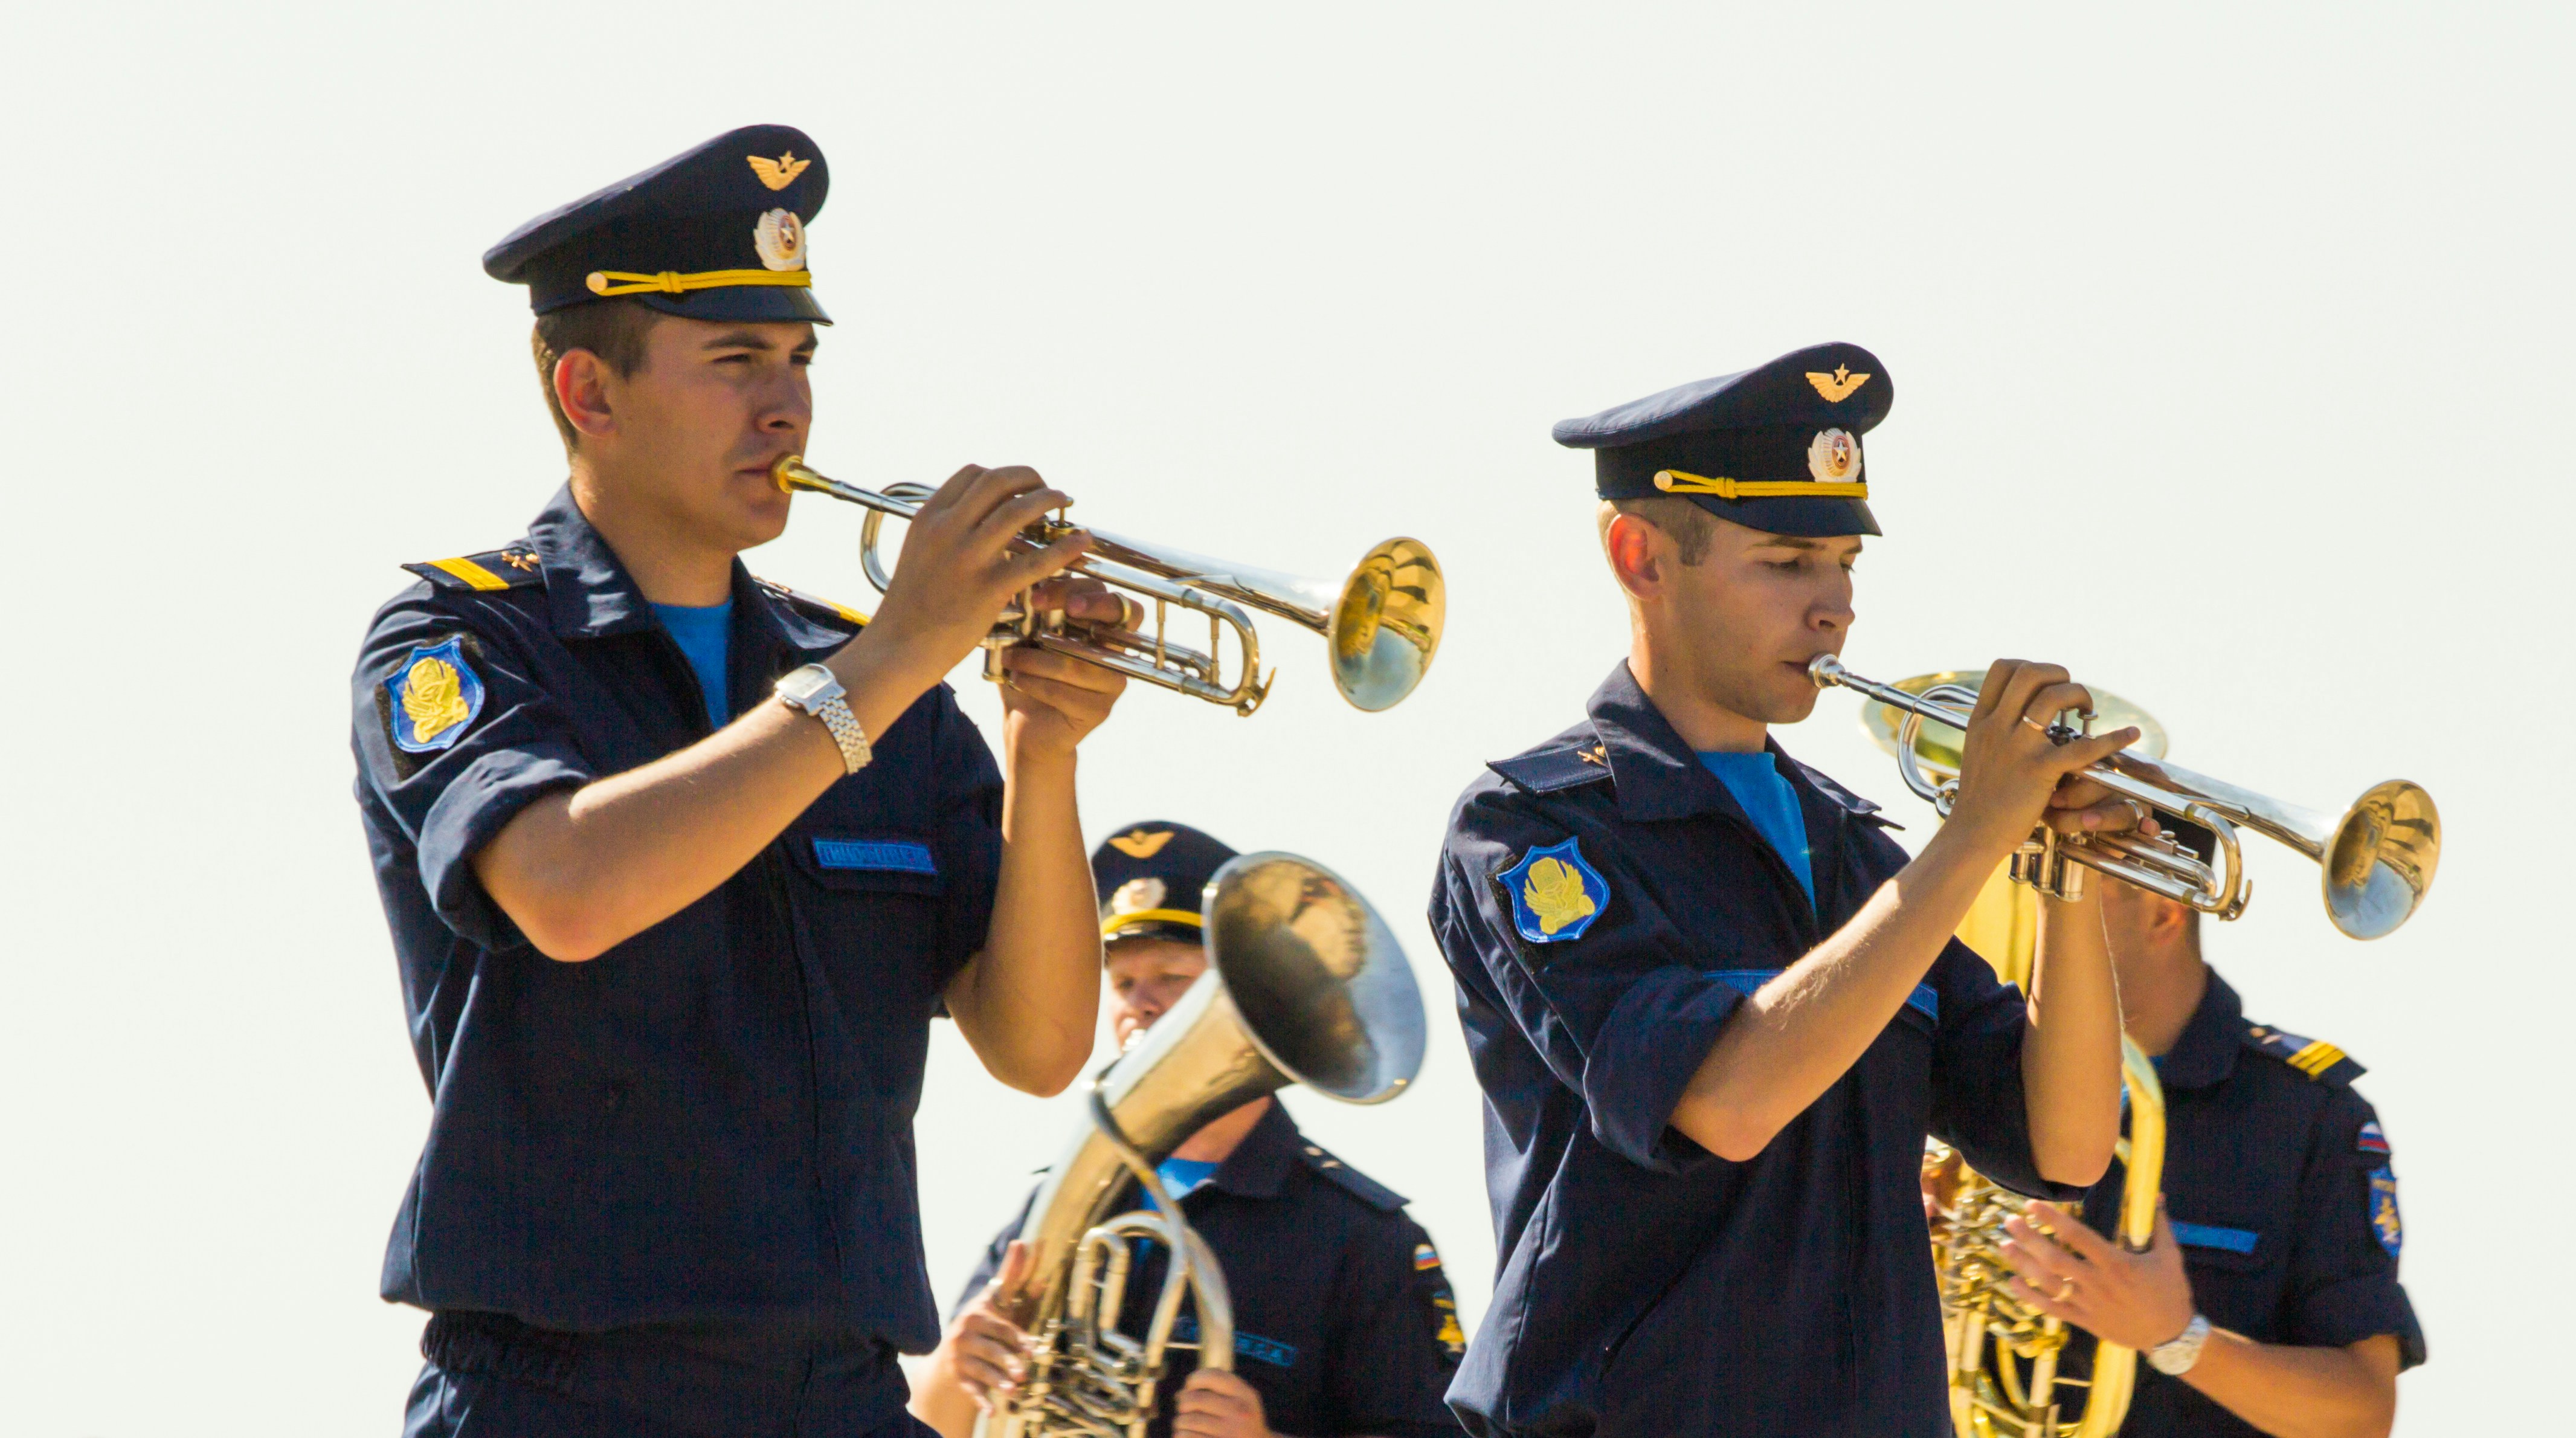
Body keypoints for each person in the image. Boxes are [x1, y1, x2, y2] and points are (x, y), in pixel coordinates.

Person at [353, 124, 1132, 1438]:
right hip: (559, 1391)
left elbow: (1041, 1044)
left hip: (838, 1390)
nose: (787, 409)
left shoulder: (868, 664)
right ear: (588, 391)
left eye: (796, 360)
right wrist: (887, 667)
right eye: (732, 363)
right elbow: (570, 888)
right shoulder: (461, 636)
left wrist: (1040, 748)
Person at [1428, 343, 2148, 1437]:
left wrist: (2062, 879)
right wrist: (1970, 838)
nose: (1834, 609)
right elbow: (1724, 1100)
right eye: (1786, 563)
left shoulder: (1852, 850)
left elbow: (2065, 1146)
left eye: (1844, 566)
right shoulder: (1533, 827)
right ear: (1639, 558)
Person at [914, 822, 1466, 1438]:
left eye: (1172, 978)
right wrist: (956, 1368)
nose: (1137, 1004)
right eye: (1122, 984)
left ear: (1262, 999)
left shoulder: (1363, 1239)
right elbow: (933, 1425)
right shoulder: (1065, 1200)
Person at [1992, 817, 2426, 1438]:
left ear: (2163, 912)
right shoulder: (1983, 1088)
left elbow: (2359, 1415)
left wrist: (2177, 1339)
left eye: (2071, 890)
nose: (2039, 914)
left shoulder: (2311, 1115)